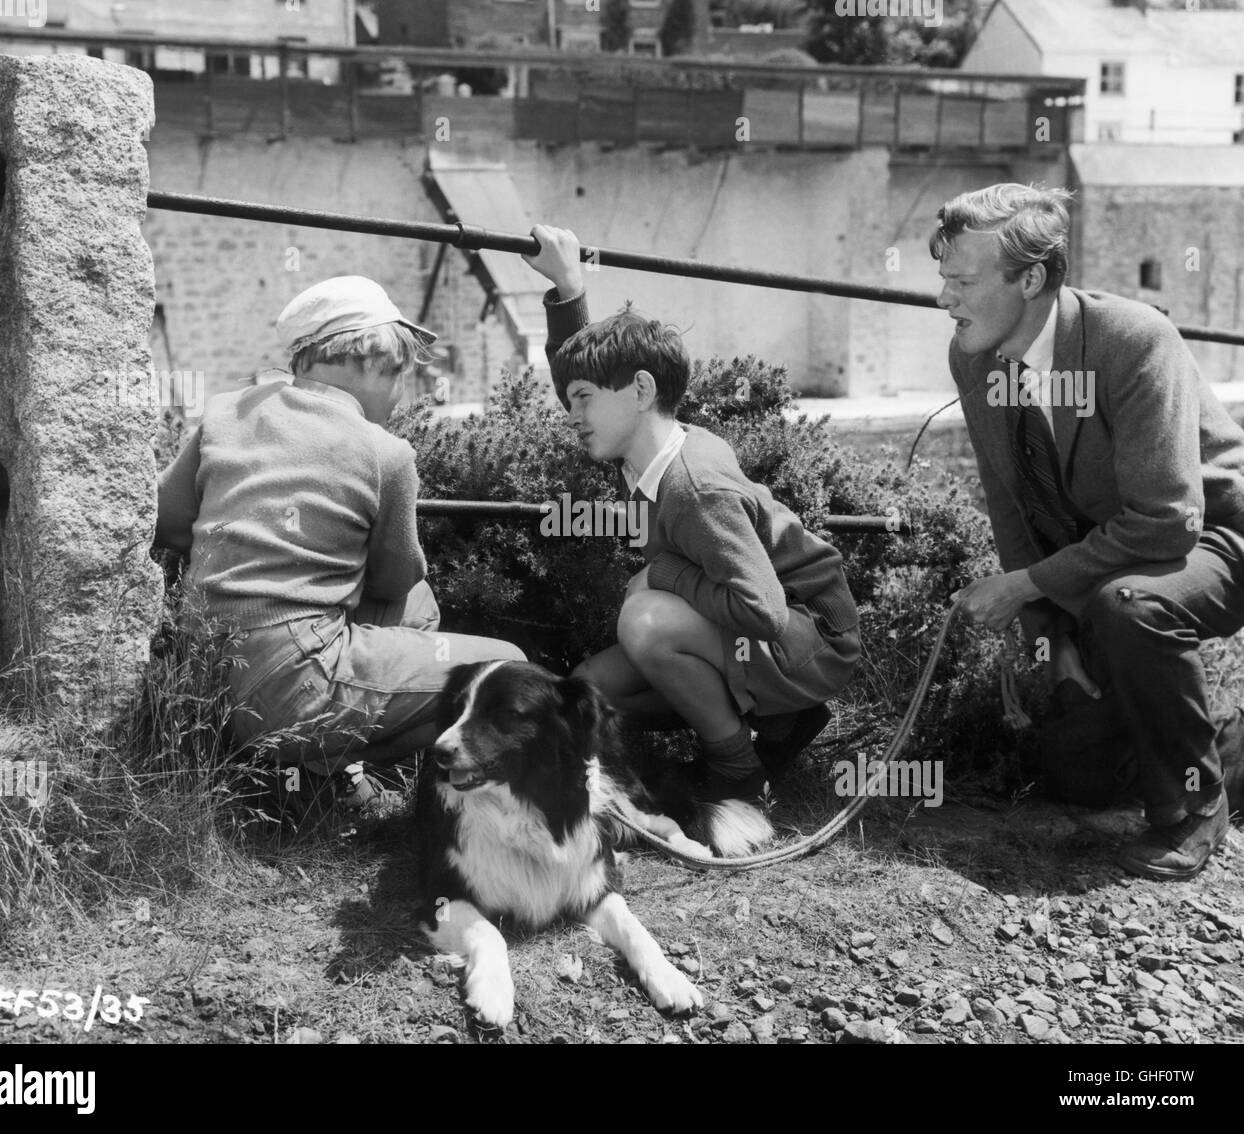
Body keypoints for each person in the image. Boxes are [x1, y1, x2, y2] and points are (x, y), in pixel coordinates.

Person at [936, 183, 1244, 881]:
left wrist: (1026, 588)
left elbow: (1168, 519)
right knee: (1080, 775)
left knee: (1131, 608)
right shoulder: (973, 356)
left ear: (1033, 278)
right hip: (1116, 563)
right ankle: (1222, 744)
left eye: (962, 281)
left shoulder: (1133, 339)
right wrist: (1050, 634)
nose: (943, 298)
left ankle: (1194, 811)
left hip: (1216, 538)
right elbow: (1011, 509)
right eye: (942, 278)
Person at [522, 226, 861, 839]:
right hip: (760, 632)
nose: (571, 415)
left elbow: (762, 612)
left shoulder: (694, 487)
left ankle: (737, 769)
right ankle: (780, 722)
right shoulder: (637, 447)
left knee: (646, 620)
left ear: (642, 390)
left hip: (809, 636)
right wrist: (569, 288)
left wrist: (665, 575)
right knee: (589, 694)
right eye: (571, 399)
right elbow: (585, 372)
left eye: (582, 400)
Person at [153, 276, 525, 824]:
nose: (404, 393)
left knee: (417, 608)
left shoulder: (226, 413)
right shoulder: (384, 452)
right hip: (295, 683)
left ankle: (315, 776)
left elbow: (167, 517)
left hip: (206, 670)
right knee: (505, 667)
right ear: (377, 363)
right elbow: (394, 580)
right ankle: (348, 773)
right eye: (405, 375)